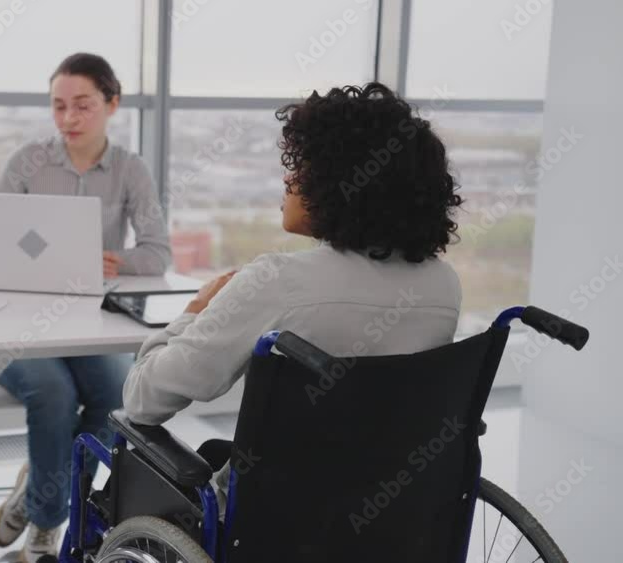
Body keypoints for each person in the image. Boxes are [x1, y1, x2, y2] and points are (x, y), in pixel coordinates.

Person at [122, 82, 464, 513]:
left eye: (302, 167)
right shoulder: (443, 286)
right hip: (393, 513)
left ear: (339, 183)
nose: (289, 178)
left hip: (269, 519)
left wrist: (194, 310)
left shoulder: (277, 282)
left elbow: (144, 401)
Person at [0, 53, 171, 561]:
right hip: (23, 322)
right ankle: (48, 519)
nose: (68, 118)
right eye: (58, 106)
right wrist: (41, 253)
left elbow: (158, 252)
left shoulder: (130, 169)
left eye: (83, 105)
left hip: (89, 324)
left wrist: (114, 260)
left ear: (112, 104)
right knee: (52, 393)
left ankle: (37, 492)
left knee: (116, 395)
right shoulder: (28, 162)